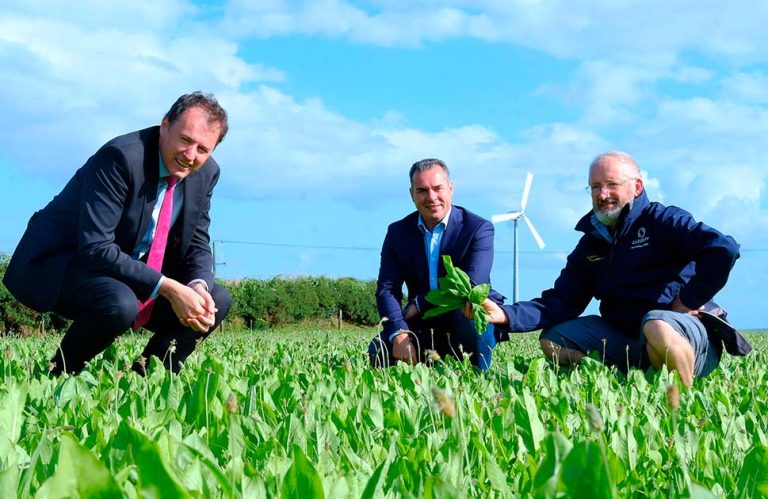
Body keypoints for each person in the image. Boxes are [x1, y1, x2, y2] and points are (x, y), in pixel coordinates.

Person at [3, 91, 232, 375]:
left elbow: (197, 242)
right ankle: (59, 375)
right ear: (164, 125)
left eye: (202, 149)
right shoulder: (120, 157)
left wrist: (197, 286)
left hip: (127, 270)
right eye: (185, 140)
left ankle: (145, 381)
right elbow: (96, 247)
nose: (190, 155)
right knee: (120, 302)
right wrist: (171, 288)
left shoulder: (206, 173)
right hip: (63, 261)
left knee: (216, 300)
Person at [479, 151, 741, 387]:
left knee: (656, 325)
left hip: (683, 334)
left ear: (637, 187)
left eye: (611, 185)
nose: (603, 194)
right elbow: (561, 302)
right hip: (627, 338)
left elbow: (723, 248)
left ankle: (680, 402)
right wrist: (505, 314)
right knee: (554, 339)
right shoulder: (592, 243)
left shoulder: (664, 221)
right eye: (595, 187)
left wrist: (688, 300)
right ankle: (620, 385)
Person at [368, 158, 505, 371]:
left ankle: (479, 376)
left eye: (437, 188)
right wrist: (399, 333)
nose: (431, 197)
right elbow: (387, 289)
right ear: (411, 194)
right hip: (423, 322)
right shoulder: (398, 233)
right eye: (422, 190)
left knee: (471, 323)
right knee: (379, 351)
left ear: (451, 189)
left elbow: (469, 286)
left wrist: (421, 302)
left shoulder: (478, 229)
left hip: (464, 313)